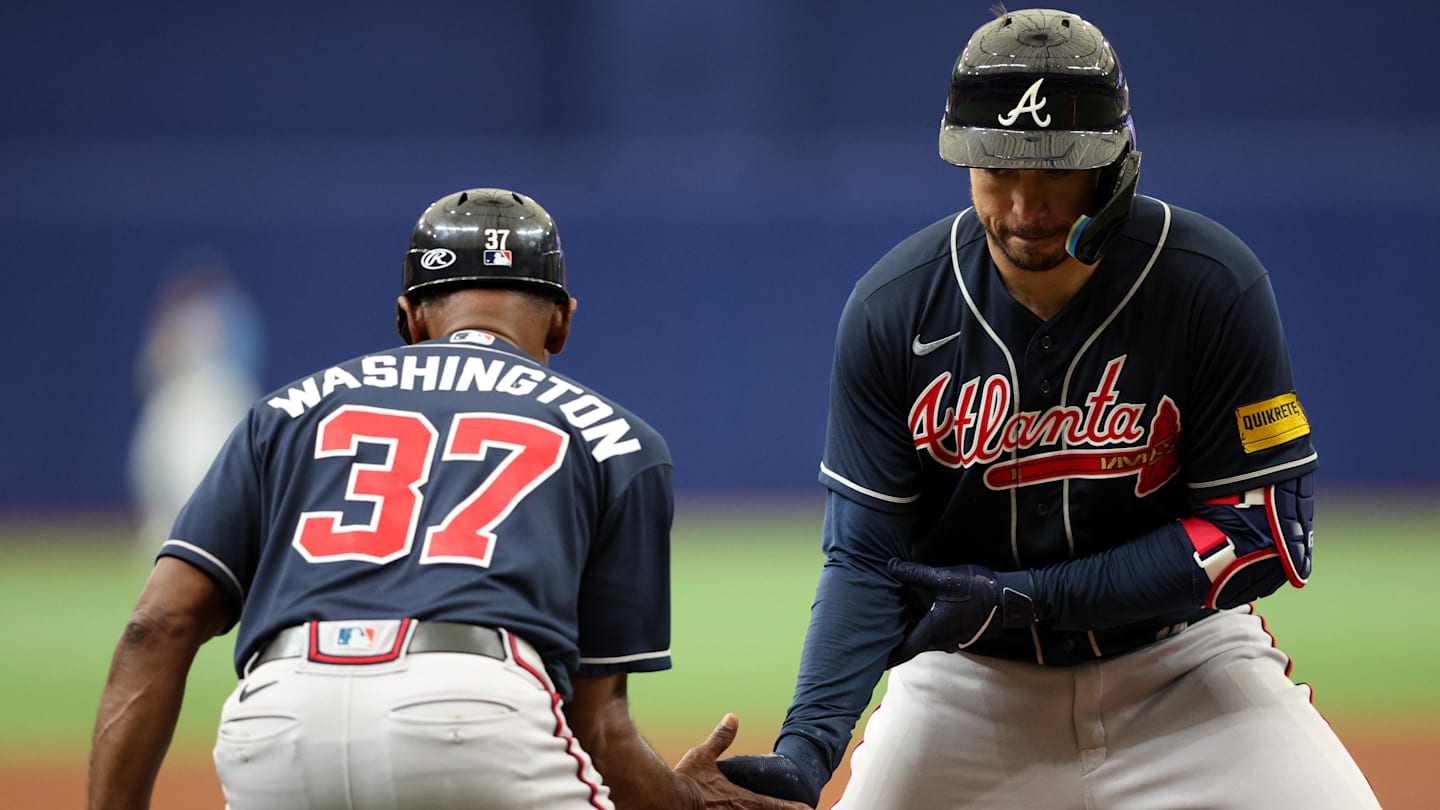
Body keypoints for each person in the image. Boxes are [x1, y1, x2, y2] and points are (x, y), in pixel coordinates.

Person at [718, 8, 1381, 809]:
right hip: (966, 685)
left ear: (1114, 165)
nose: (1025, 208)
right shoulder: (893, 308)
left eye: (1057, 170)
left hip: (1185, 672)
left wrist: (1034, 595)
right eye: (998, 169)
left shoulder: (1209, 284)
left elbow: (1260, 535)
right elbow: (863, 560)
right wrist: (805, 751)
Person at [89, 188, 810, 810]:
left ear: (409, 317)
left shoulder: (284, 413)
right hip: (474, 711)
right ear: (562, 320)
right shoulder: (618, 439)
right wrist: (689, 799)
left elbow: (156, 626)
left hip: (276, 722)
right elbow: (600, 733)